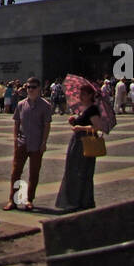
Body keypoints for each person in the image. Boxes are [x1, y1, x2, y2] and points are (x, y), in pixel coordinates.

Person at [55, 81, 106, 213]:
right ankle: (75, 199)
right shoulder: (84, 109)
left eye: (83, 94)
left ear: (90, 95)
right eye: (80, 94)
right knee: (74, 170)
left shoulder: (92, 109)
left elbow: (97, 127)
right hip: (78, 141)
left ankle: (79, 200)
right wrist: (74, 121)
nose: (80, 96)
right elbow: (83, 122)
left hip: (84, 142)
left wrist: (80, 127)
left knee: (81, 171)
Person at [5, 78, 53, 211]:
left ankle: (29, 200)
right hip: (22, 142)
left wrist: (44, 142)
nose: (30, 90)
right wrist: (15, 139)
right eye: (28, 87)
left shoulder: (45, 105)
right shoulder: (21, 104)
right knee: (16, 172)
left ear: (39, 89)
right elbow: (16, 123)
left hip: (37, 143)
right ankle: (13, 200)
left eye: (33, 87)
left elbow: (47, 125)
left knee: (34, 172)